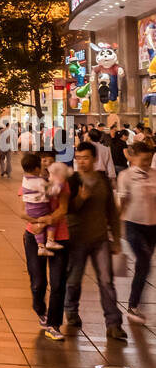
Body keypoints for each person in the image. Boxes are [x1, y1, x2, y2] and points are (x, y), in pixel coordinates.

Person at [63, 142, 126, 340]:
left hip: (100, 239)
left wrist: (116, 239)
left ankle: (114, 323)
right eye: (78, 158)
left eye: (85, 158)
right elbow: (65, 209)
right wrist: (80, 199)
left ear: (94, 159)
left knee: (107, 281)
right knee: (73, 279)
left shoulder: (103, 181)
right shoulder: (72, 181)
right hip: (76, 238)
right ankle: (71, 311)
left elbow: (112, 212)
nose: (81, 162)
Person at [20, 150, 71, 342]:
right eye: (43, 162)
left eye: (50, 161)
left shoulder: (61, 183)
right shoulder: (29, 183)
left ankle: (54, 324)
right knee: (38, 281)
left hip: (60, 237)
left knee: (58, 283)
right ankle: (40, 309)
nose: (46, 165)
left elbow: (63, 208)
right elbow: (22, 211)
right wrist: (38, 222)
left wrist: (47, 219)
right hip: (34, 235)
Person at [117, 141, 156, 324]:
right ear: (133, 158)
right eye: (144, 159)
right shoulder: (126, 176)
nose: (147, 163)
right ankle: (132, 305)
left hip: (152, 227)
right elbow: (122, 202)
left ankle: (134, 305)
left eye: (149, 159)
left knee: (144, 265)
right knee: (144, 260)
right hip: (133, 225)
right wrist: (115, 226)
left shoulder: (154, 175)